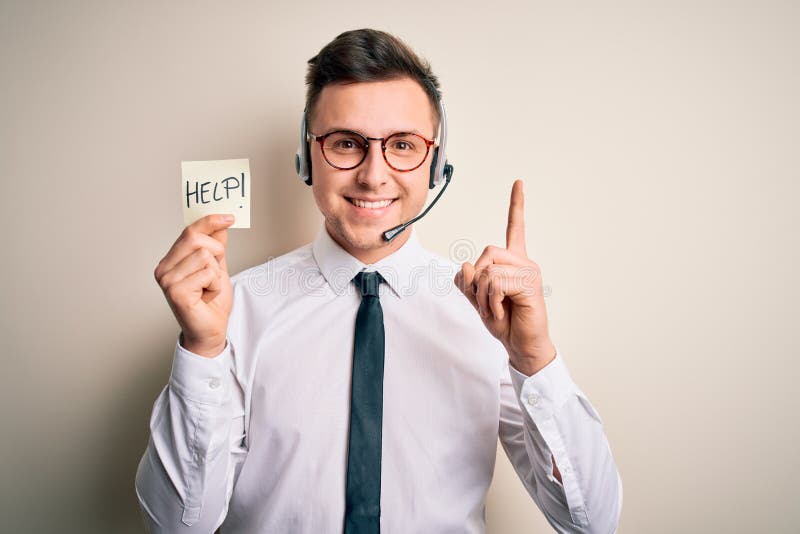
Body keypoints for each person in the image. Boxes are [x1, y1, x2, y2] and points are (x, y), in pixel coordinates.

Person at [136, 28, 622, 533]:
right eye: (346, 143)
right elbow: (175, 527)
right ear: (307, 156)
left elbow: (592, 522)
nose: (373, 174)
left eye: (403, 145)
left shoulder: (490, 315)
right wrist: (202, 350)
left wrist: (534, 358)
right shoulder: (234, 310)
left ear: (435, 162)